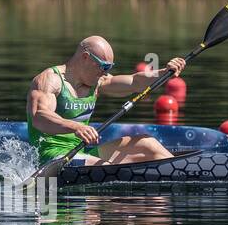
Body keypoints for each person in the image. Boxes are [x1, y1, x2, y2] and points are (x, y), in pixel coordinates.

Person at [26, 36, 187, 165]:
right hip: (52, 157)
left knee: (148, 144)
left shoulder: (97, 81)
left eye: (109, 68)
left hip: (80, 152)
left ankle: (183, 170)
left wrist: (165, 72)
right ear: (85, 58)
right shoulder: (49, 80)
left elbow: (134, 82)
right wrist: (75, 127)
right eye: (103, 66)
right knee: (105, 167)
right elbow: (39, 117)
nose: (105, 72)